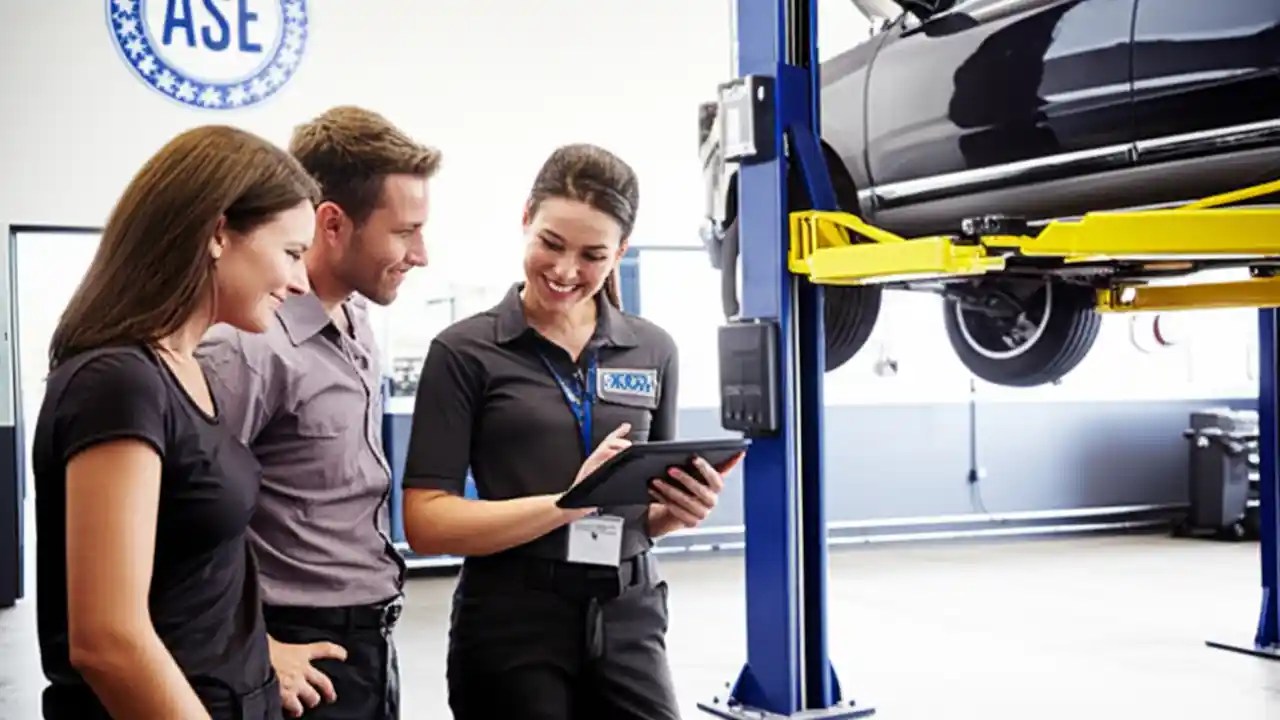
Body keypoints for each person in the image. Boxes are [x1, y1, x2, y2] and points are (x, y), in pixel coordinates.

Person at [401, 142, 744, 719]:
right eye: (551, 244)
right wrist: (567, 504)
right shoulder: (465, 351)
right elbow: (426, 521)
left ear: (620, 253)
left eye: (592, 255)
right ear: (525, 219)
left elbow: (644, 512)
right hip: (513, 617)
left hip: (628, 609)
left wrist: (679, 510)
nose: (564, 271)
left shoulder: (652, 348)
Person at [30, 125, 320, 719]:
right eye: (291, 254)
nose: (299, 282)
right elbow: (109, 642)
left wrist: (258, 655)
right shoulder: (119, 381)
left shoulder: (183, 370)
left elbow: (187, 579)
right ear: (218, 233)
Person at [195, 105, 442, 720]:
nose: (421, 253)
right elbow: (182, 525)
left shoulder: (356, 320)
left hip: (368, 645)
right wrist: (256, 648)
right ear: (332, 223)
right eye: (405, 231)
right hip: (294, 654)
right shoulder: (247, 346)